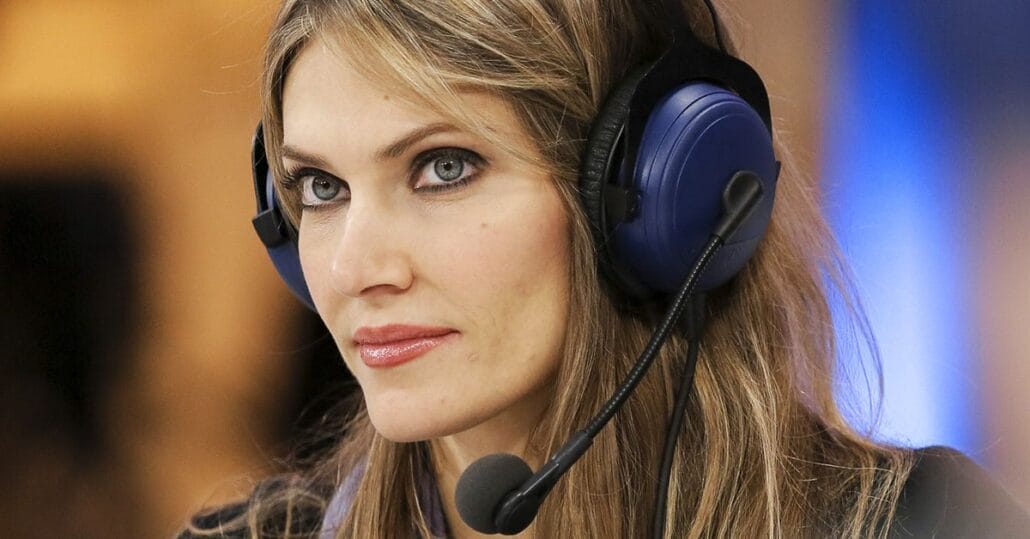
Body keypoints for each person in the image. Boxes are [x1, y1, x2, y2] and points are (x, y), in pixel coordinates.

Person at [181, 0, 1028, 537]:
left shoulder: (919, 526)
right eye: (321, 187)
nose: (354, 266)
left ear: (665, 193)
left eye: (443, 167)